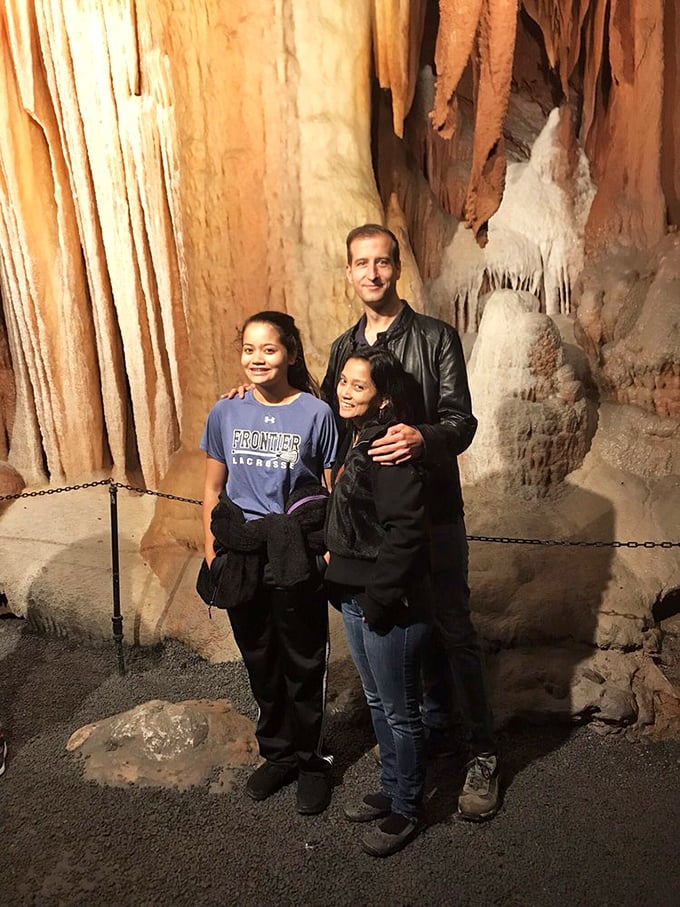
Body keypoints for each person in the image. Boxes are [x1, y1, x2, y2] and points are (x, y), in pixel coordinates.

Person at [320, 224, 500, 822]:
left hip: (434, 515)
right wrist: (260, 394)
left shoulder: (435, 337)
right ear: (349, 271)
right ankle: (423, 744)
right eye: (360, 263)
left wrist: (421, 437)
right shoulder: (345, 345)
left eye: (382, 263)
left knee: (452, 627)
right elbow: (329, 416)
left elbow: (461, 422)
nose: (371, 273)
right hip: (368, 530)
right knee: (399, 639)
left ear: (397, 268)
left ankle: (480, 753)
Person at [199, 311, 338, 815]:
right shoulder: (225, 412)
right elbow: (213, 488)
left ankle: (311, 760)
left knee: (303, 659)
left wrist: (323, 552)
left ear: (291, 354)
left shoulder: (316, 414)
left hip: (294, 554)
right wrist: (214, 554)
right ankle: (278, 754)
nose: (257, 359)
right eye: (249, 349)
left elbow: (331, 488)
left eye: (269, 350)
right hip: (241, 553)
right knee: (259, 658)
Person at [325, 348, 432, 857]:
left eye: (358, 386)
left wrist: (381, 598)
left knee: (399, 711)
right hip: (357, 594)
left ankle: (408, 806)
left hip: (388, 600)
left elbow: (407, 530)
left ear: (383, 397)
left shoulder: (386, 446)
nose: (345, 391)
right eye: (344, 381)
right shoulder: (360, 437)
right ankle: (392, 788)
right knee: (377, 702)